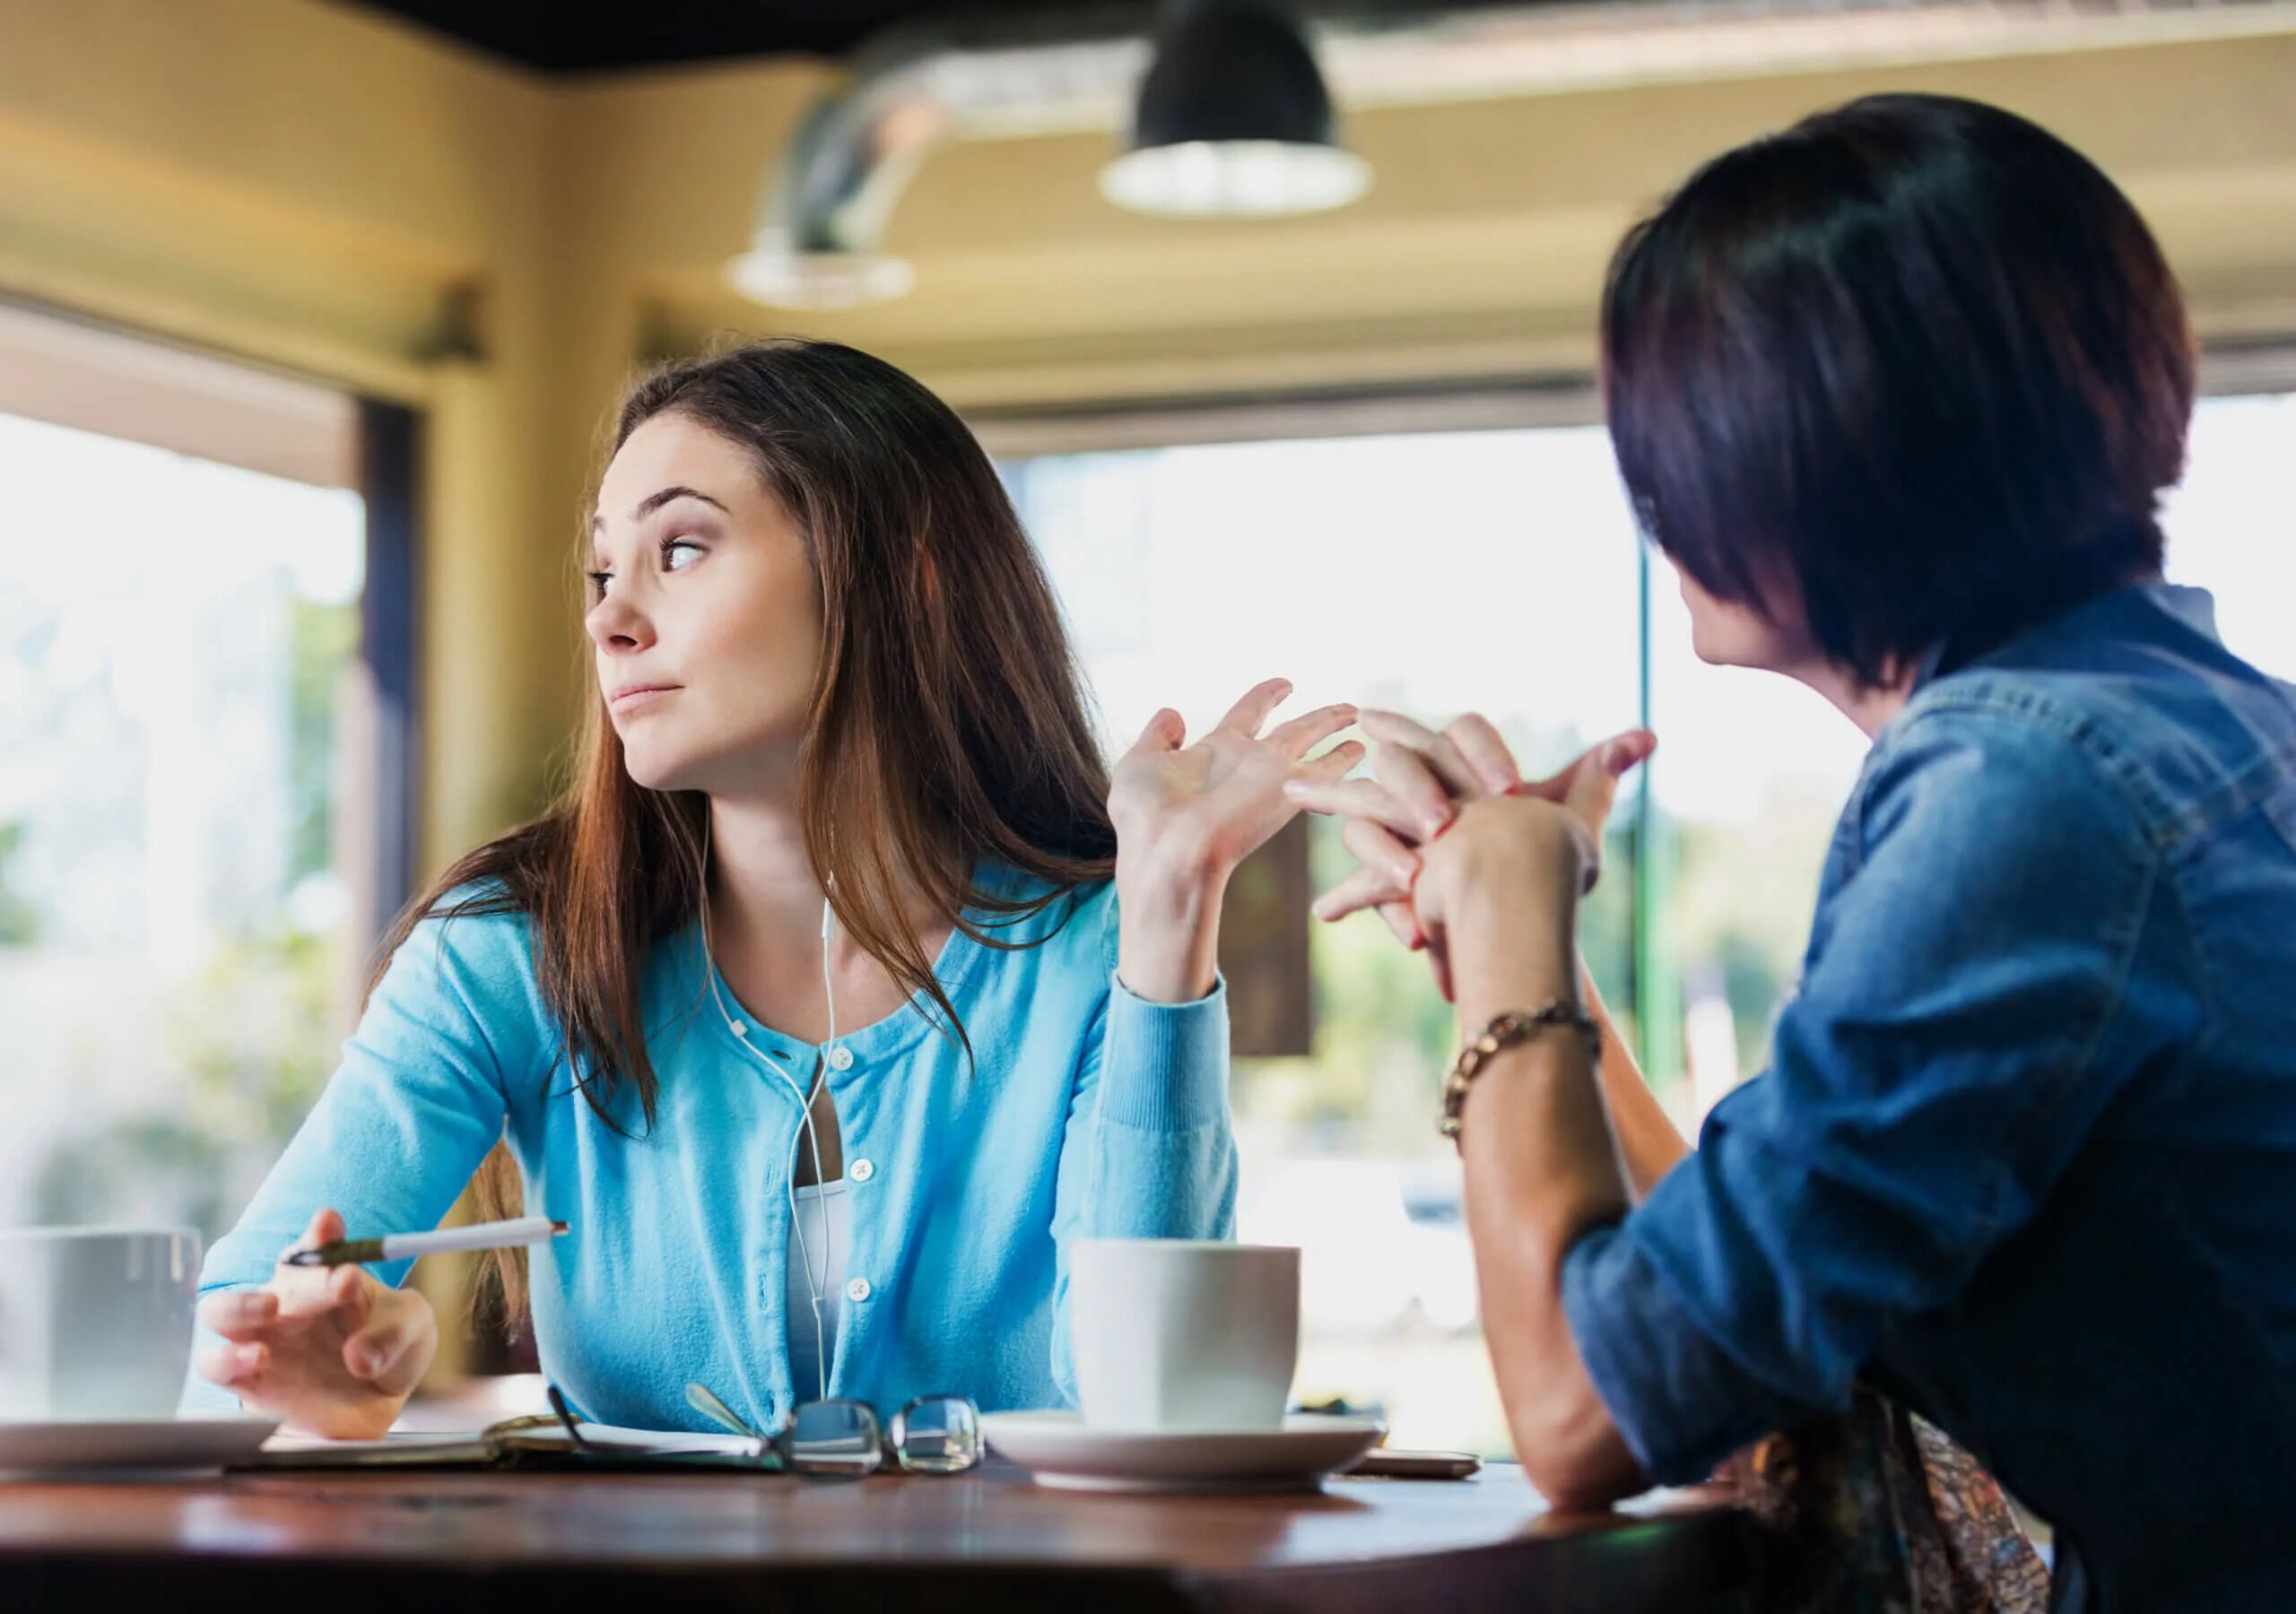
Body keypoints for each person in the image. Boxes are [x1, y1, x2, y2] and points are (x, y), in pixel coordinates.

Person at [1289, 94, 2296, 1612]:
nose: (1654, 501)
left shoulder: (2020, 792)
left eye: (1670, 440)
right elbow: (1750, 1275)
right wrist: (1532, 957)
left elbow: (1584, 1413)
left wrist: (1505, 914)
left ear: (1807, 448)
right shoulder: (2193, 732)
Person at [187, 338, 1359, 1440]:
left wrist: (1166, 919)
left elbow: (1157, 1408)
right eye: (602, 569)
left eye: (680, 548)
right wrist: (304, 1348)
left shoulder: (1097, 956)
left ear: (900, 573)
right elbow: (248, 1304)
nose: (609, 616)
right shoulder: (512, 948)